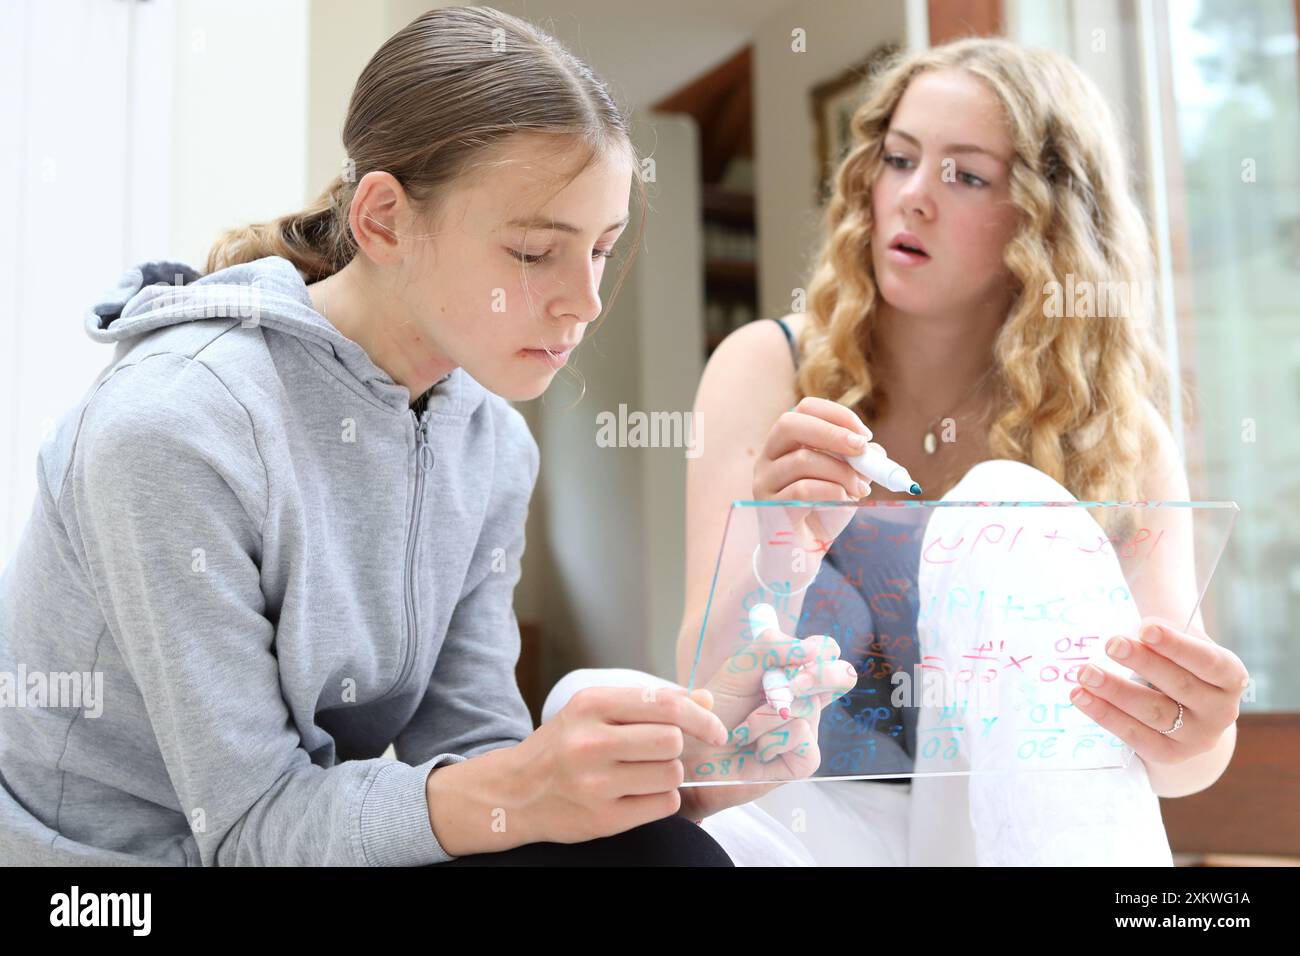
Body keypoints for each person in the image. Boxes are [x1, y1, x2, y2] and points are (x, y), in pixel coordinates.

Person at [0, 5, 855, 868]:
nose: (586, 302)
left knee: (665, 850)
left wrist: (692, 778)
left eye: (601, 249)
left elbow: (478, 757)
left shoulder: (488, 442)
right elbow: (251, 826)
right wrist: (527, 788)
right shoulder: (173, 428)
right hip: (108, 883)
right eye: (533, 252)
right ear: (382, 220)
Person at [552, 37, 1250, 866]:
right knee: (587, 700)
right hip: (809, 823)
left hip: (1008, 832)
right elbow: (714, 688)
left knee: (1006, 501)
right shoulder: (768, 364)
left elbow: (1181, 764)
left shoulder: (1113, 425)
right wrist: (780, 550)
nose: (912, 197)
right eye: (899, 159)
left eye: (966, 175)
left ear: (1046, 219)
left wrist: (1198, 731)